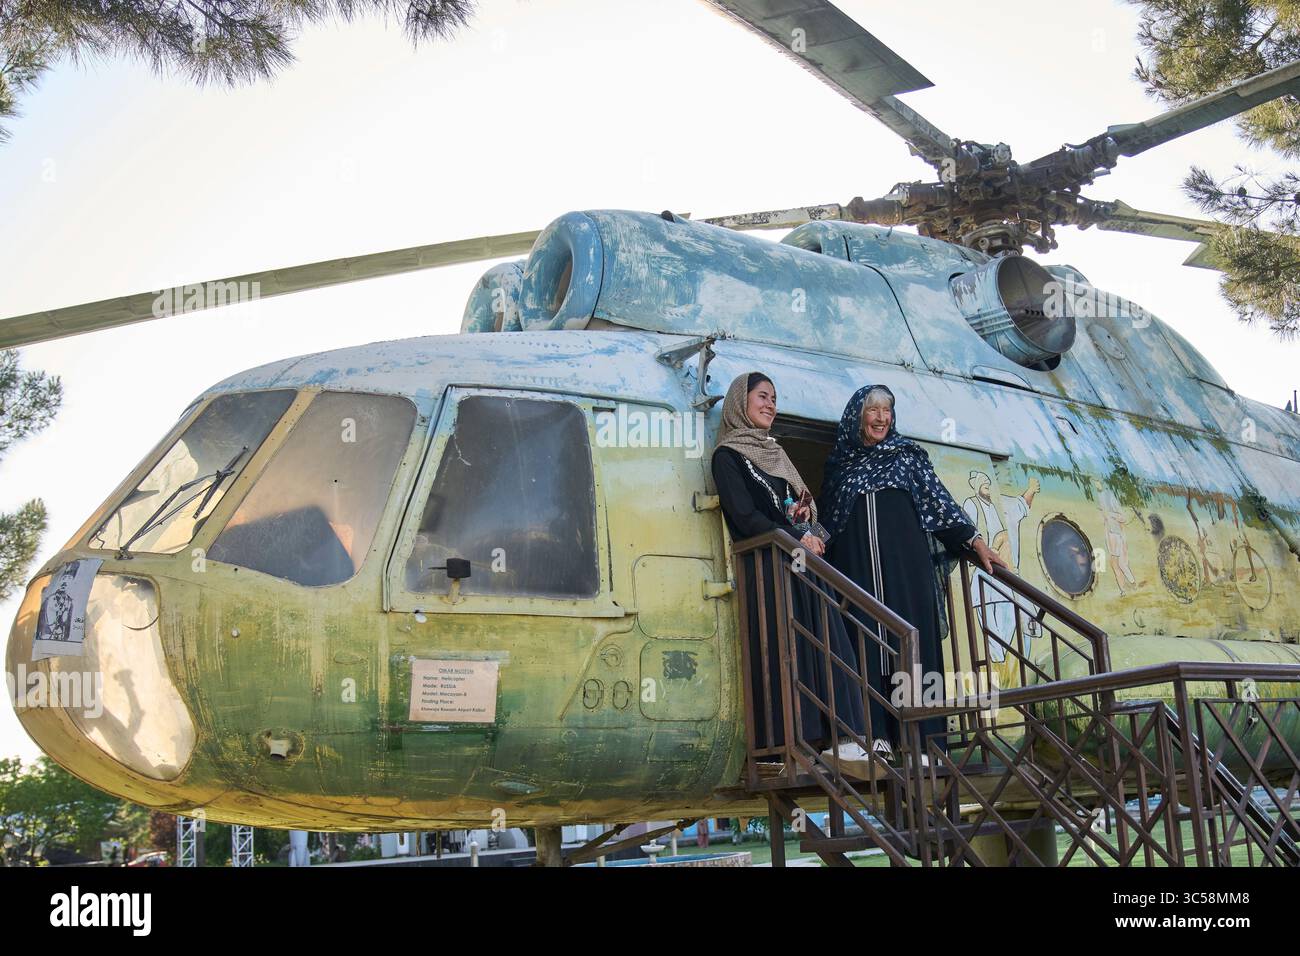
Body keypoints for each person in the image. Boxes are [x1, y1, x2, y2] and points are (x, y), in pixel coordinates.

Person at [819, 384, 1006, 766]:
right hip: (859, 579)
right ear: (858, 415)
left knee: (912, 651)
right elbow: (829, 525)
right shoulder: (839, 469)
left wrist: (973, 540)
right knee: (864, 646)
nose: (881, 418)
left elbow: (940, 505)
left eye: (887, 410)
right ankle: (875, 736)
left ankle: (923, 744)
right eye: (873, 410)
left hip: (907, 575)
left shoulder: (907, 458)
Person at [711, 372, 871, 772]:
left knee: (828, 644)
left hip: (801, 565)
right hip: (768, 568)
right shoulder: (727, 457)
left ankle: (844, 738)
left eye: (774, 399)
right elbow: (745, 517)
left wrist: (809, 530)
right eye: (762, 397)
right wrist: (793, 536)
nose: (770, 405)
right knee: (784, 653)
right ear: (739, 403)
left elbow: (797, 506)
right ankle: (792, 747)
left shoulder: (776, 454)